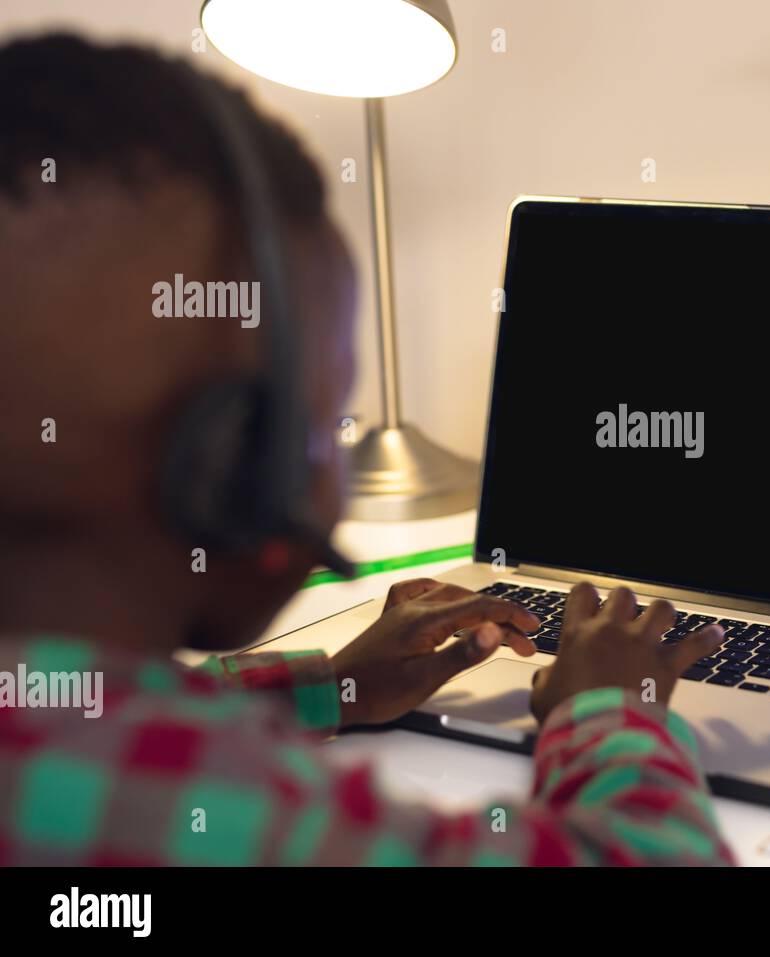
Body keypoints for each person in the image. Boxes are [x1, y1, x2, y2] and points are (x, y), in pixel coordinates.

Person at [0, 34, 732, 866]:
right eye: (321, 426)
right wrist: (609, 709)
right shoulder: (223, 812)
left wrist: (324, 685)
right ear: (232, 464)